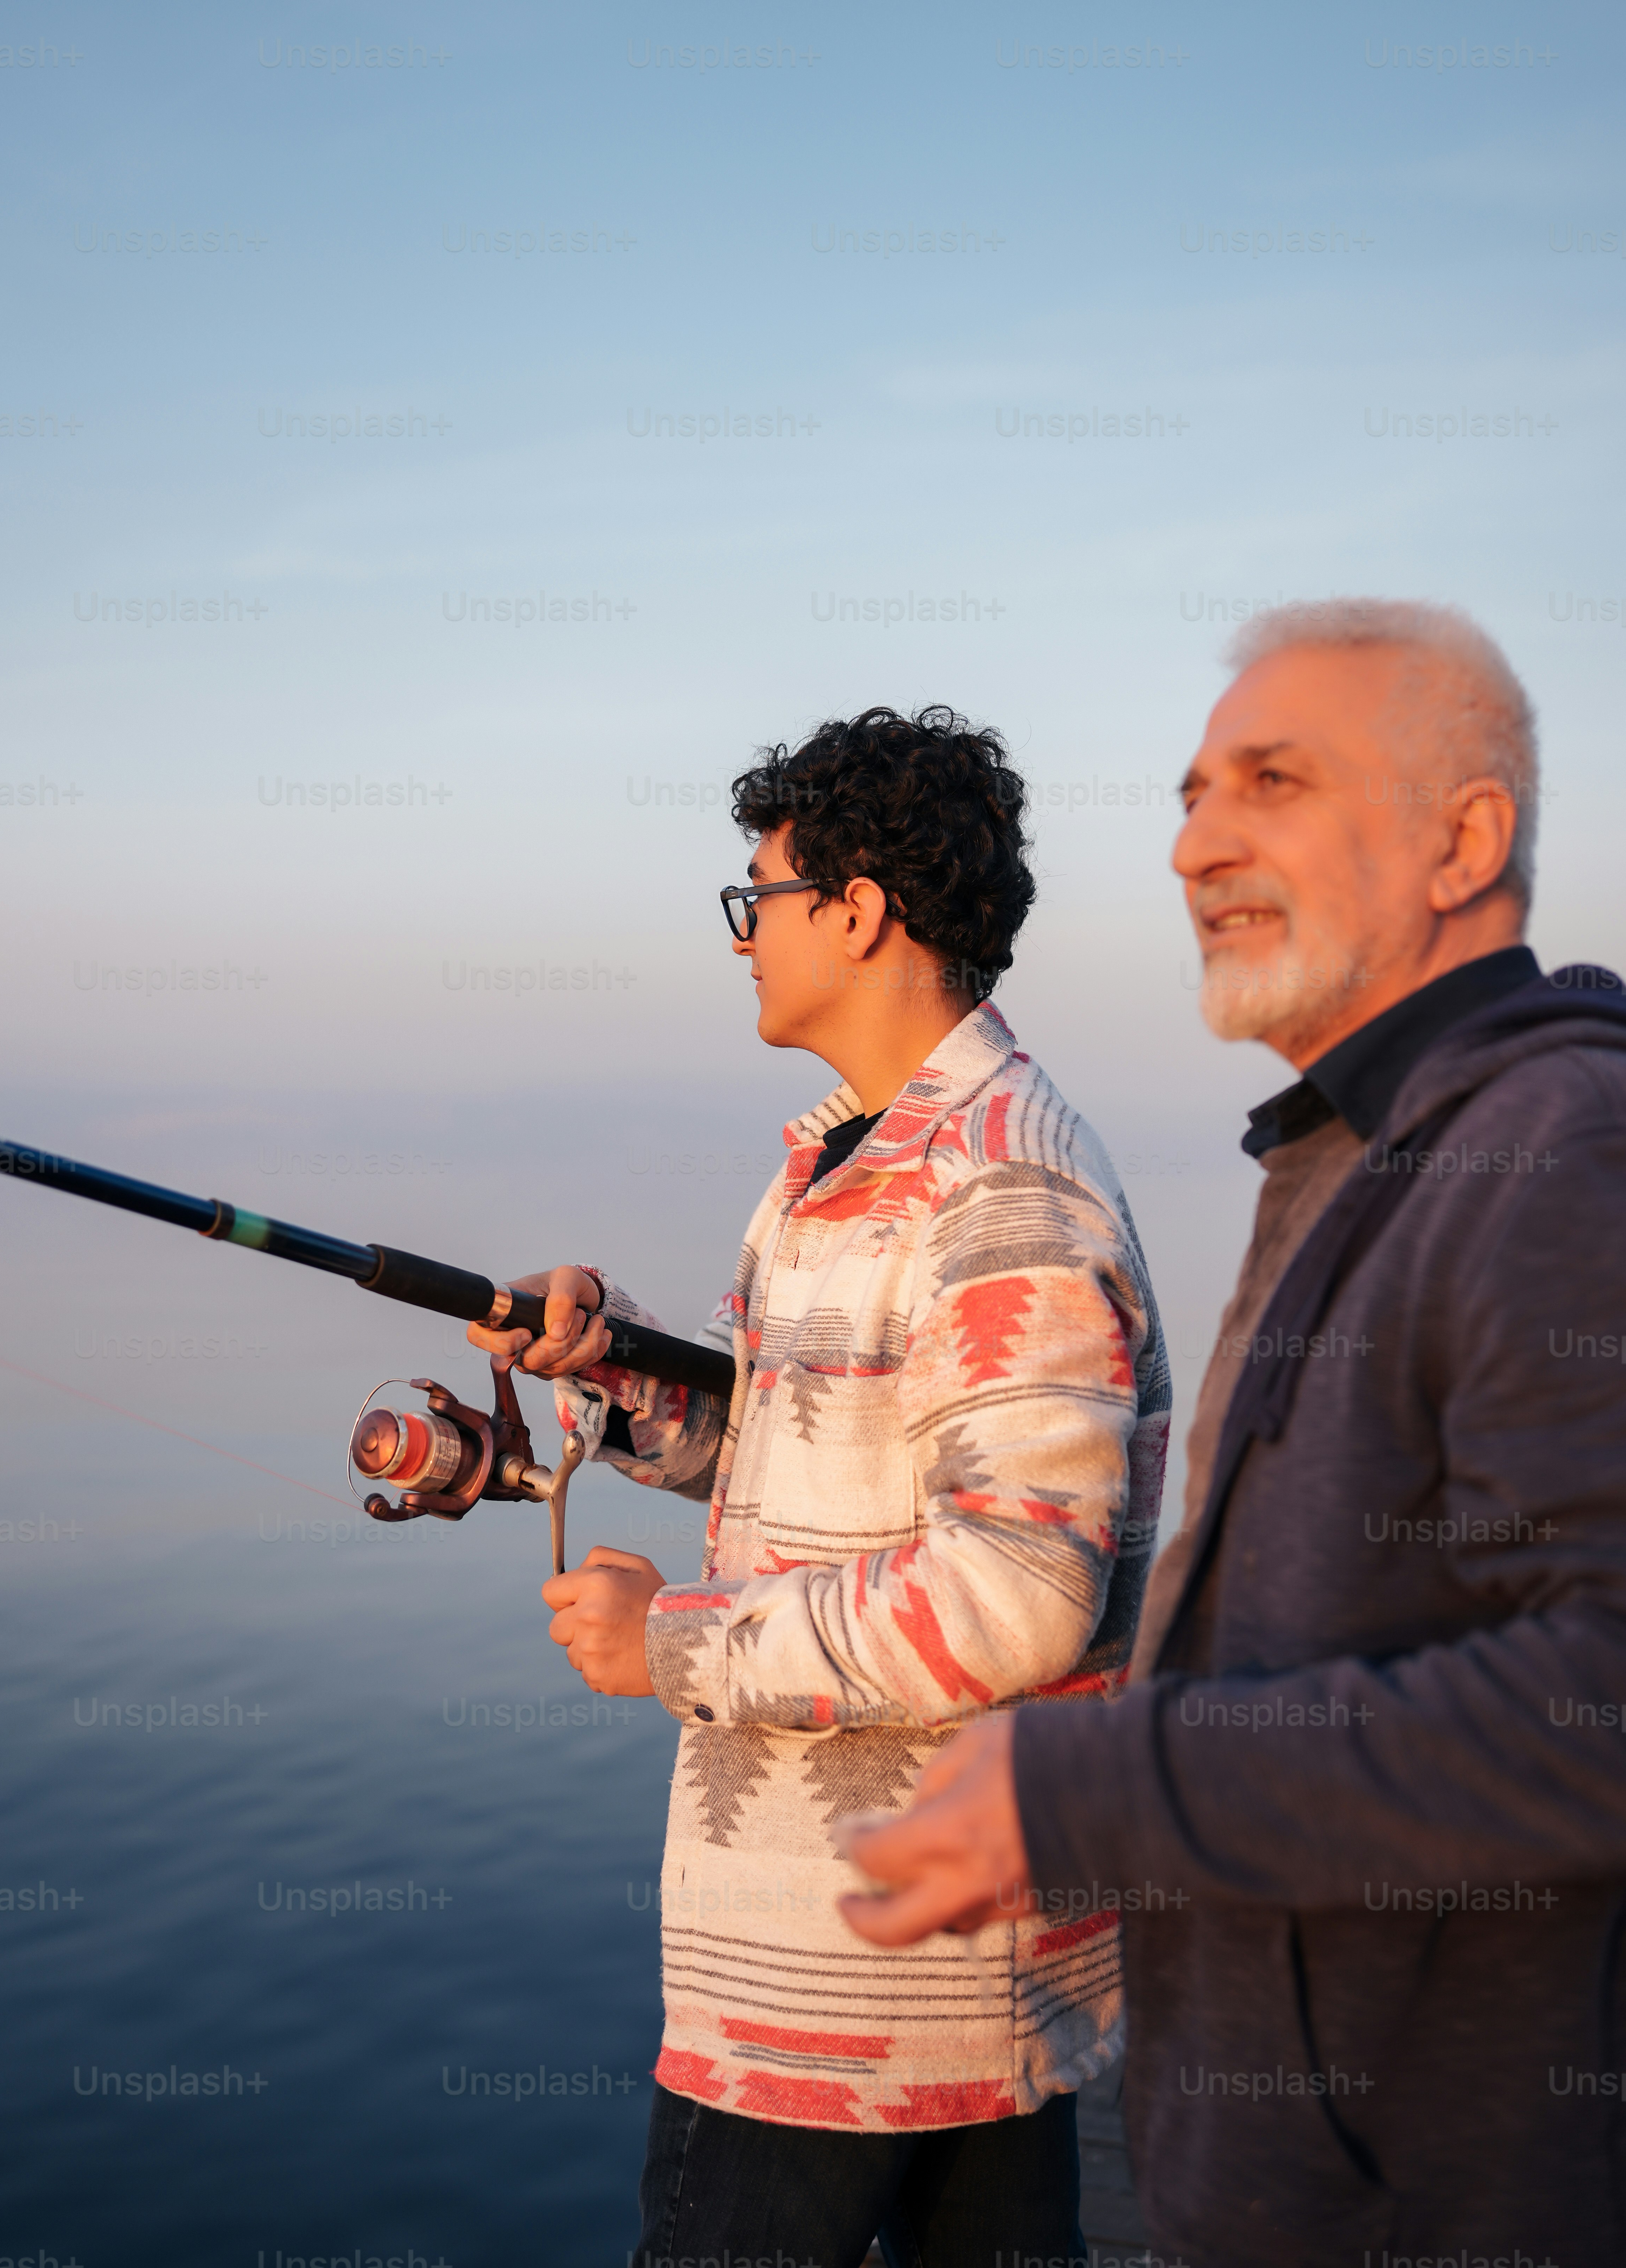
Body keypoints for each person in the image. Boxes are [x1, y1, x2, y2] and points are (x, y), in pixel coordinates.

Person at [841, 603, 1626, 2266]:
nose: (1200, 844)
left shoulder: (1558, 1145)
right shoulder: (1345, 1154)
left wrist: (1106, 1782)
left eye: (1273, 782)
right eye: (1193, 795)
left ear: (1461, 841)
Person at [466, 705, 1170, 2268]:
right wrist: (611, 1370)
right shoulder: (848, 1163)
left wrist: (677, 1643)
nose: (743, 939)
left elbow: (1014, 1594)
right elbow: (800, 1444)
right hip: (888, 1974)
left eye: (759, 898)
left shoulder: (1000, 1187)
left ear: (858, 912)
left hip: (862, 1999)